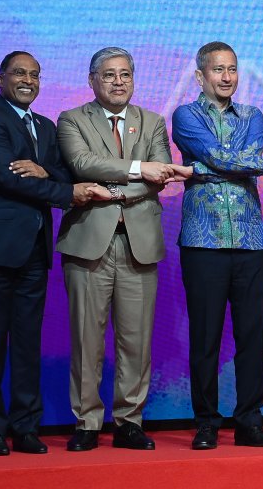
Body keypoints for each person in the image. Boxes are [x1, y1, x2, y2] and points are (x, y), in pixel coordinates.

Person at [0, 51, 105, 456]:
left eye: (35, 75)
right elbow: (7, 178)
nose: (28, 80)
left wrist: (51, 176)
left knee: (27, 343)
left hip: (34, 254)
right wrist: (64, 193)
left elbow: (63, 172)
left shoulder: (44, 126)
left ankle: (25, 427)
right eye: (19, 73)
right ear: (1, 79)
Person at [172, 41, 263, 450]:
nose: (227, 77)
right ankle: (206, 422)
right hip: (203, 240)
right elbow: (220, 155)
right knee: (206, 335)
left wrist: (201, 169)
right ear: (201, 75)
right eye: (218, 70)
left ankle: (250, 419)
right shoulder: (186, 114)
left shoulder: (253, 115)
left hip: (251, 238)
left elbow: (230, 158)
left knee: (252, 334)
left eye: (232, 69)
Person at [56, 47, 188, 451]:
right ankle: (87, 423)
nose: (118, 81)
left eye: (125, 74)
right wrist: (136, 170)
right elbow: (82, 164)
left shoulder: (151, 122)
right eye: (110, 74)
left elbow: (160, 173)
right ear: (93, 80)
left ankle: (129, 420)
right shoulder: (72, 119)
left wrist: (111, 189)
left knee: (136, 339)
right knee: (86, 339)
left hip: (139, 245)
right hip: (88, 245)